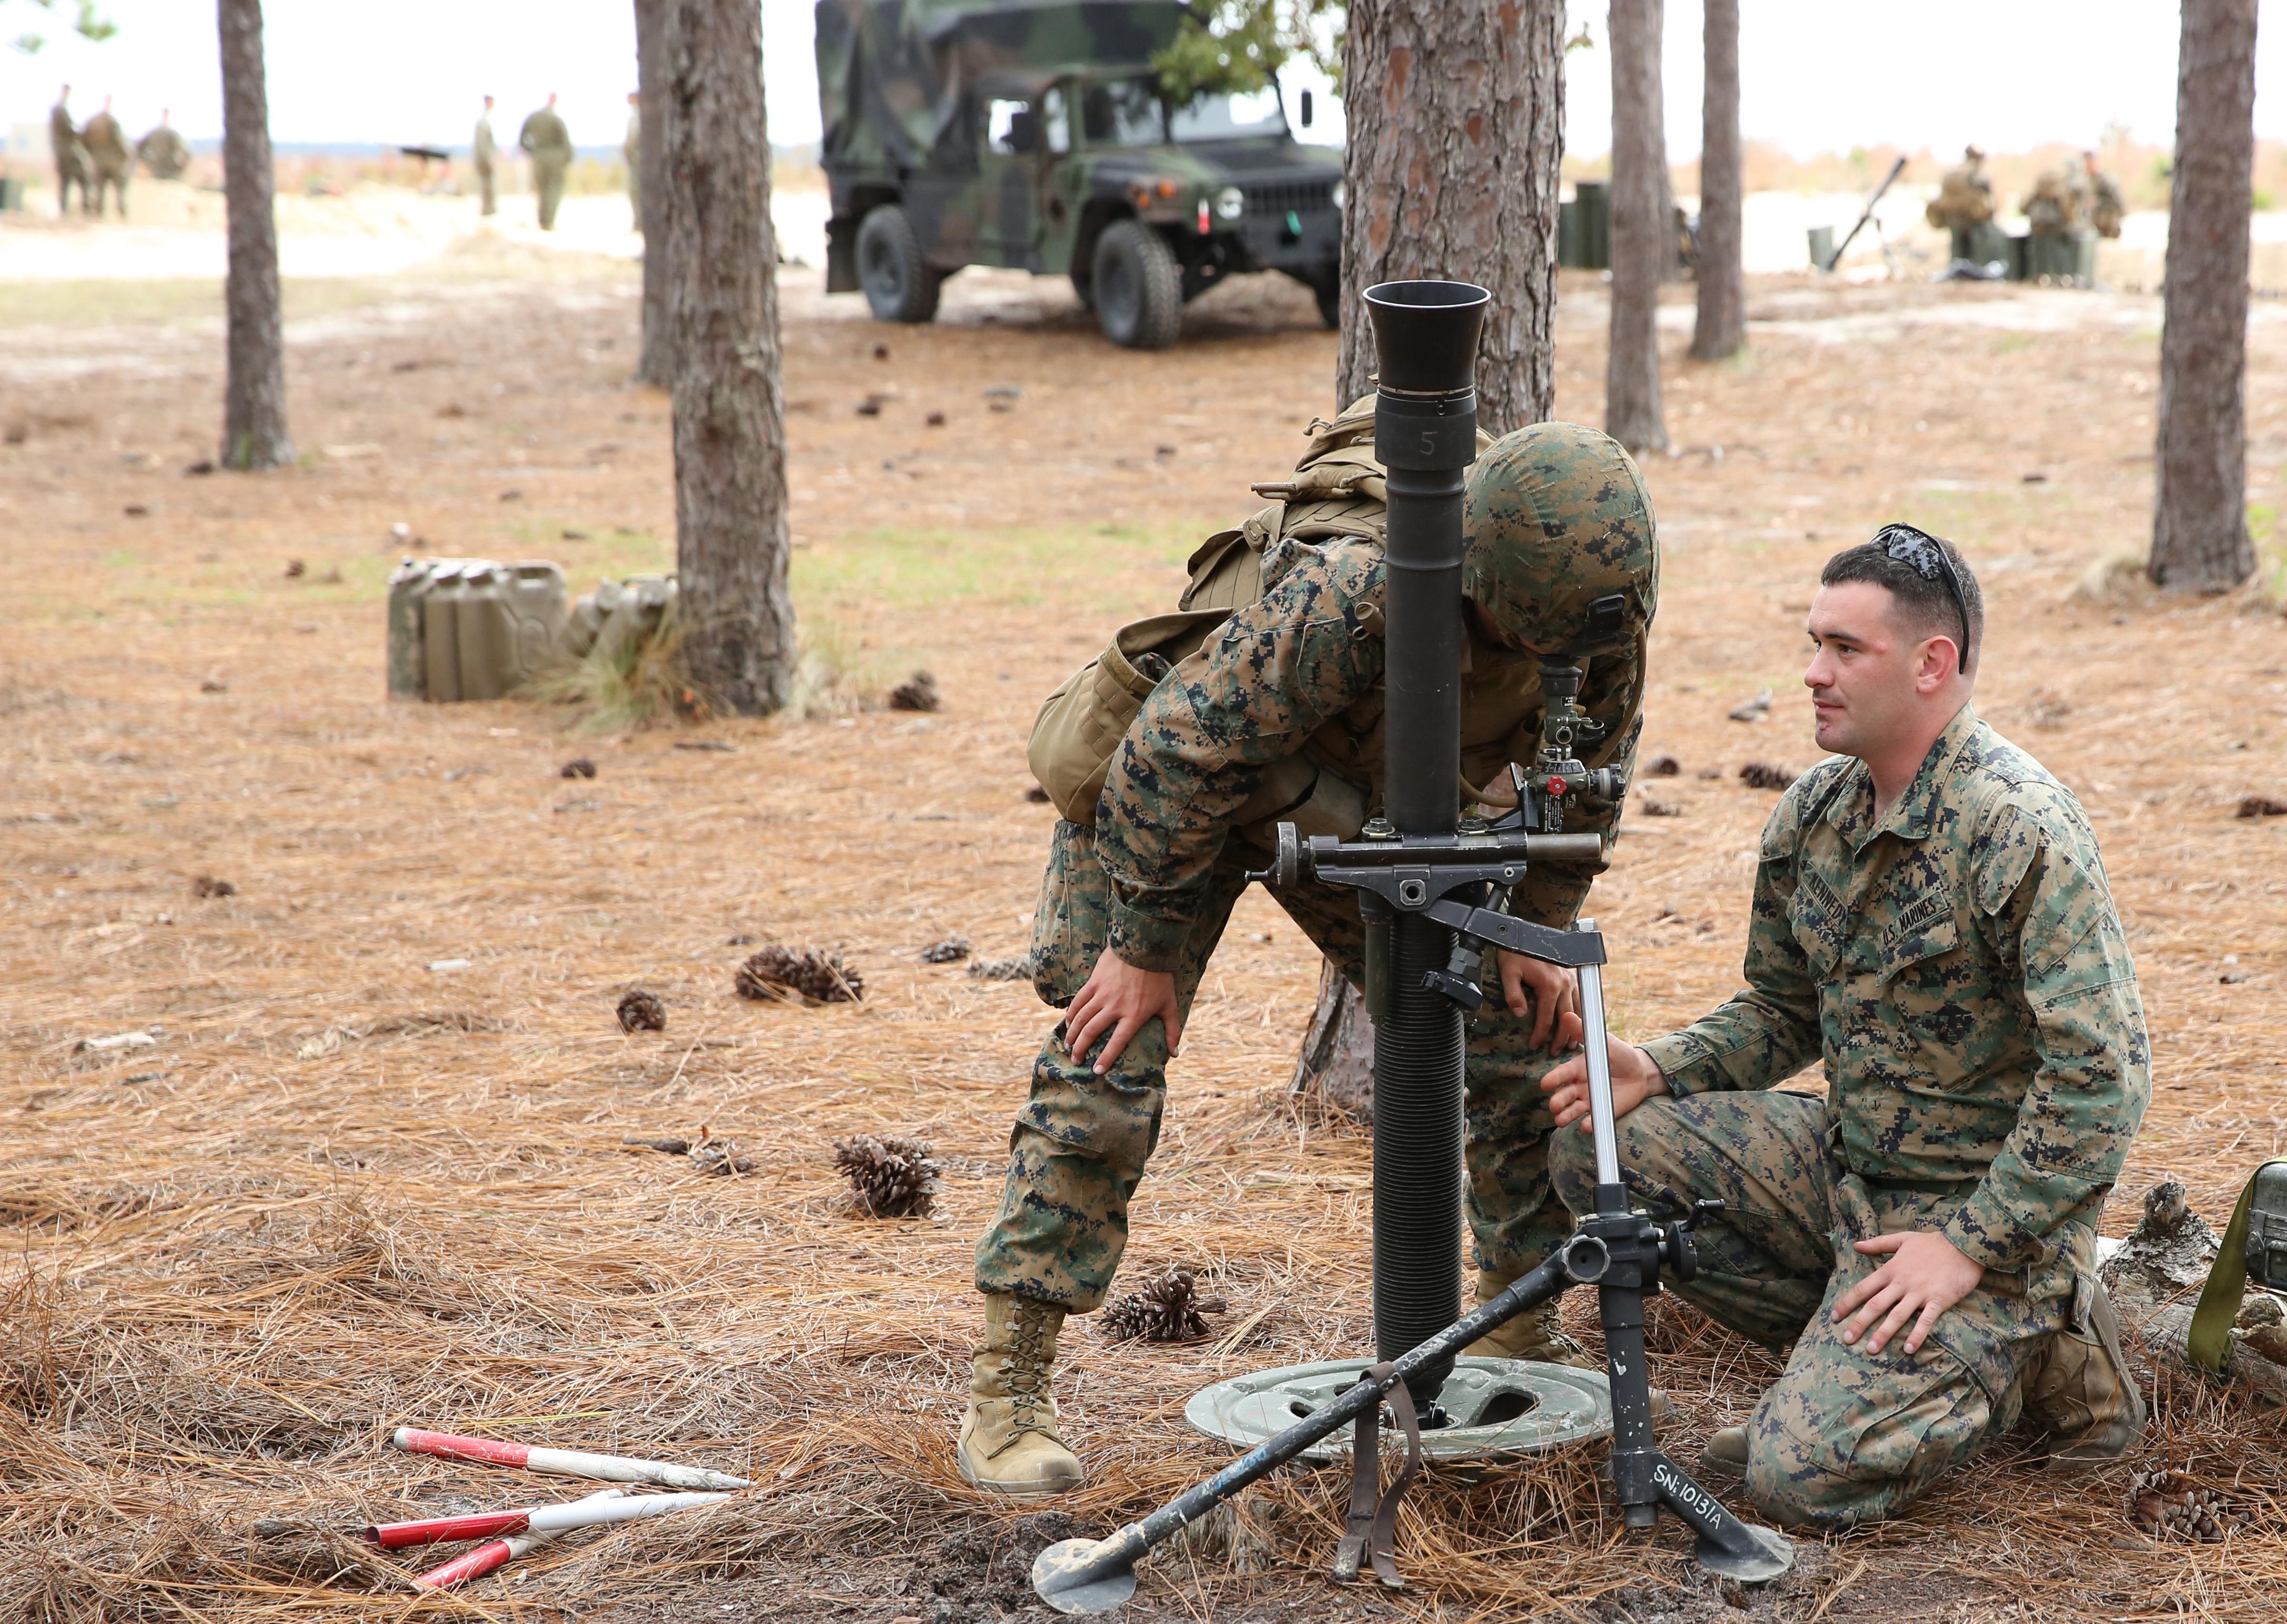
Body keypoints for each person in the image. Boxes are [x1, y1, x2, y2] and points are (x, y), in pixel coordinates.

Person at [957, 404, 1659, 1500]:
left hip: (1355, 802)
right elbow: (1173, 753)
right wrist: (1140, 946)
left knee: (1523, 1024)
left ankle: (1520, 1324)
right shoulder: (1356, 597)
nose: (1564, 663)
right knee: (1109, 1057)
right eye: (1539, 642)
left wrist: (1543, 919)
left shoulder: (1596, 609)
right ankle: (1007, 1392)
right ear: (1481, 582)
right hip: (1184, 792)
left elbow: (1590, 774)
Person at [1540, 524, 2150, 1532]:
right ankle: (1854, 1350)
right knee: (1599, 1148)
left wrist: (1968, 1244)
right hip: (1851, 1166)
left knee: (1795, 1478)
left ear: (1930, 663)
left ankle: (2036, 1345)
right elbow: (1781, 1009)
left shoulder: (2017, 826)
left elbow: (2102, 1081)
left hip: (1987, 1213)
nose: (1812, 672)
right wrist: (1657, 1063)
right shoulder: (1816, 813)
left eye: (1843, 649)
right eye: (1813, 642)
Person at [1924, 145, 1995, 263]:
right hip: (1973, 217)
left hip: (1953, 216)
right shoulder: (1977, 173)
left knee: (1957, 247)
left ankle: (1957, 268)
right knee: (1976, 251)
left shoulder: (1952, 172)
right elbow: (1986, 197)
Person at [519, 92, 573, 231]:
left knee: (542, 189)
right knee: (554, 189)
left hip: (539, 156)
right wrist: (567, 159)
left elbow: (523, 136)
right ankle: (548, 221)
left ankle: (542, 220)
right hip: (555, 157)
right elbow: (565, 141)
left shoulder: (533, 118)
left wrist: (530, 151)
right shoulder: (556, 119)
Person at [81, 95, 131, 219]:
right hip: (113, 161)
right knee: (119, 188)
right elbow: (119, 141)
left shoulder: (92, 122)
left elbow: (83, 139)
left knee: (99, 188)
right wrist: (126, 155)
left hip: (98, 160)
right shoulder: (111, 121)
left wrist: (91, 152)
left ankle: (99, 213)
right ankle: (122, 213)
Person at [48, 84, 87, 218]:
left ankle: (64, 209)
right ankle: (84, 208)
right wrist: (80, 132)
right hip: (68, 151)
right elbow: (69, 130)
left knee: (64, 181)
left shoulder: (57, 109)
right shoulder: (61, 109)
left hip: (60, 151)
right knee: (83, 178)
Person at [136, 108, 190, 182]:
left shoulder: (156, 133)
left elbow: (139, 148)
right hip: (162, 168)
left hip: (164, 167)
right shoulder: (167, 133)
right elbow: (185, 152)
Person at [2085, 151, 2125, 241]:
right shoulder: (2090, 180)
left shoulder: (2107, 181)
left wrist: (2096, 203)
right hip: (2097, 226)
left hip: (2109, 225)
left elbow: (2119, 203)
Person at [474, 95, 498, 217]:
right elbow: (483, 145)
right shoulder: (484, 122)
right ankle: (488, 210)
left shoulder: (485, 120)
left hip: (483, 158)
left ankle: (489, 210)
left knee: (488, 184)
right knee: (488, 184)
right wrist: (489, 160)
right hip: (484, 159)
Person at [623, 90, 642, 231]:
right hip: (639, 159)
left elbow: (632, 139)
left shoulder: (637, 116)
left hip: (638, 160)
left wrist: (628, 154)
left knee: (636, 190)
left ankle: (640, 222)